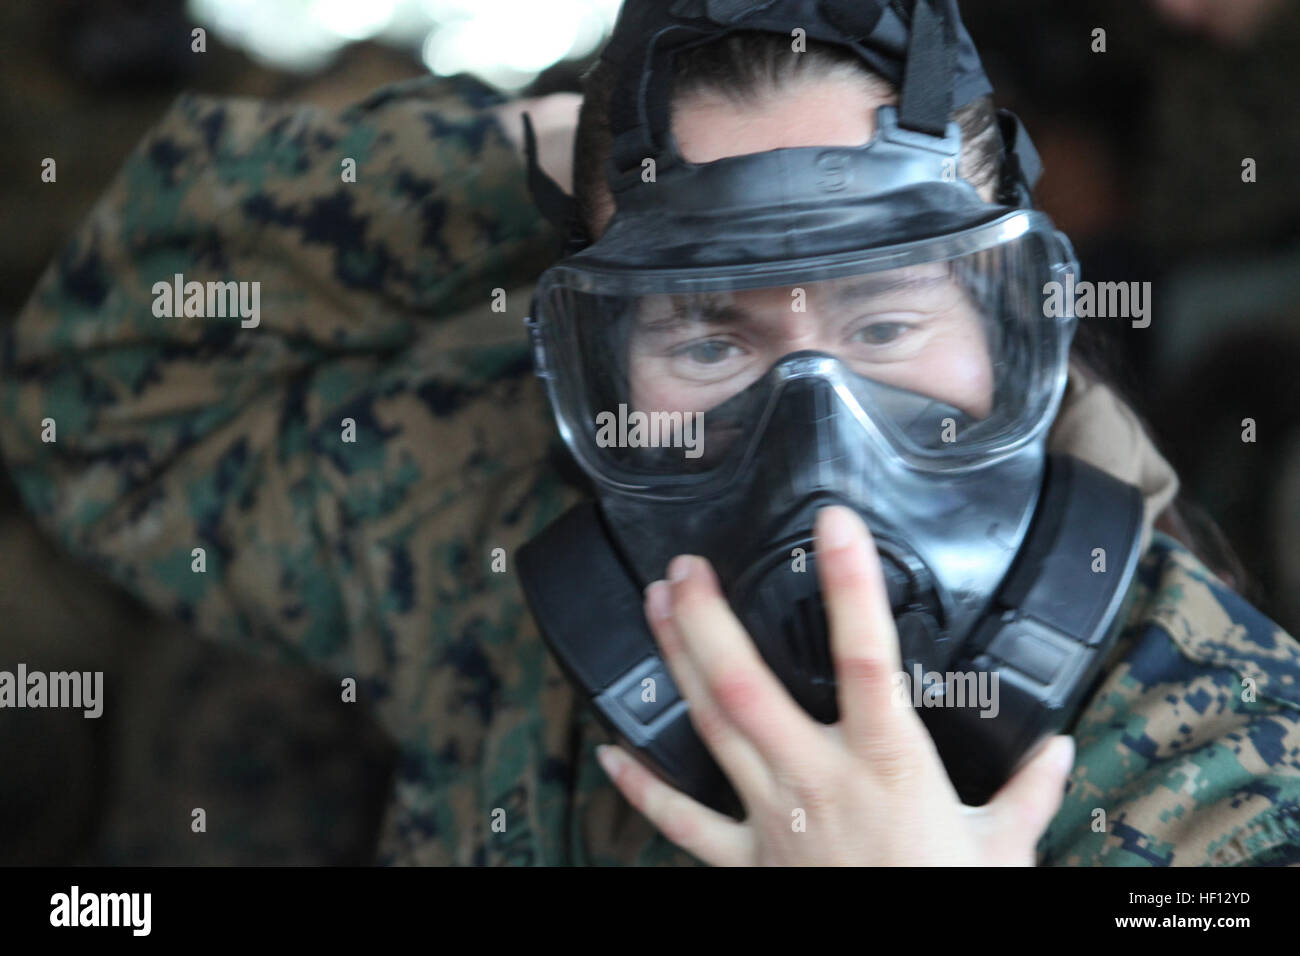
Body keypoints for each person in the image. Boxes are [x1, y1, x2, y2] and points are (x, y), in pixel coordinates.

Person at [2, 0, 1298, 866]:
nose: (819, 447)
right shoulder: (479, 512)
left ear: (1016, 322)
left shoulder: (1217, 747)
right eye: (709, 339)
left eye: (888, 327)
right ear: (599, 353)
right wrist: (528, 153)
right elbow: (99, 408)